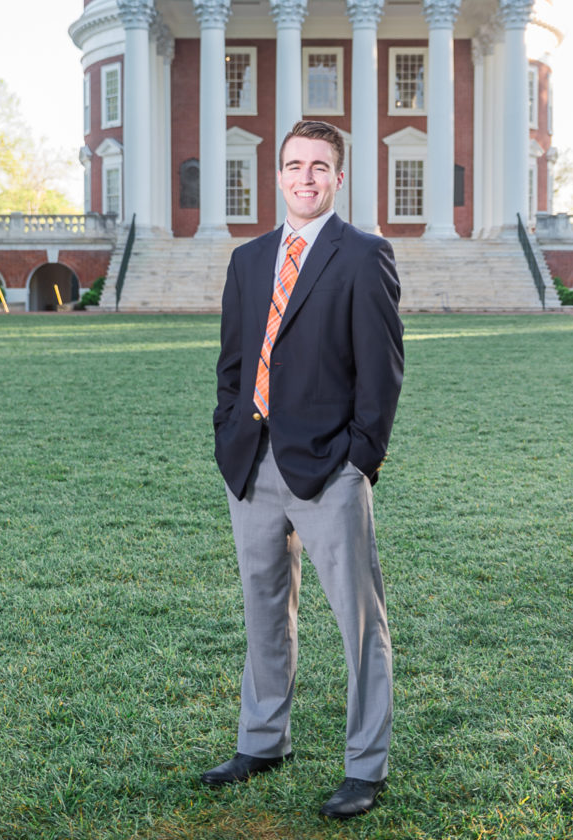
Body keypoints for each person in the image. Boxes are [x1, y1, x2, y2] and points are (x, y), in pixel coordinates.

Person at [203, 119, 404, 819]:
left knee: (358, 622)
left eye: (319, 166)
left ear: (338, 177)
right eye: (293, 165)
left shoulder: (362, 255)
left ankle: (365, 767)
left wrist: (360, 459)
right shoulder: (249, 258)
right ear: (278, 174)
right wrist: (228, 429)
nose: (304, 177)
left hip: (330, 466)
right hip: (251, 460)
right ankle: (263, 741)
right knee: (263, 611)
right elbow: (233, 361)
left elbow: (381, 373)